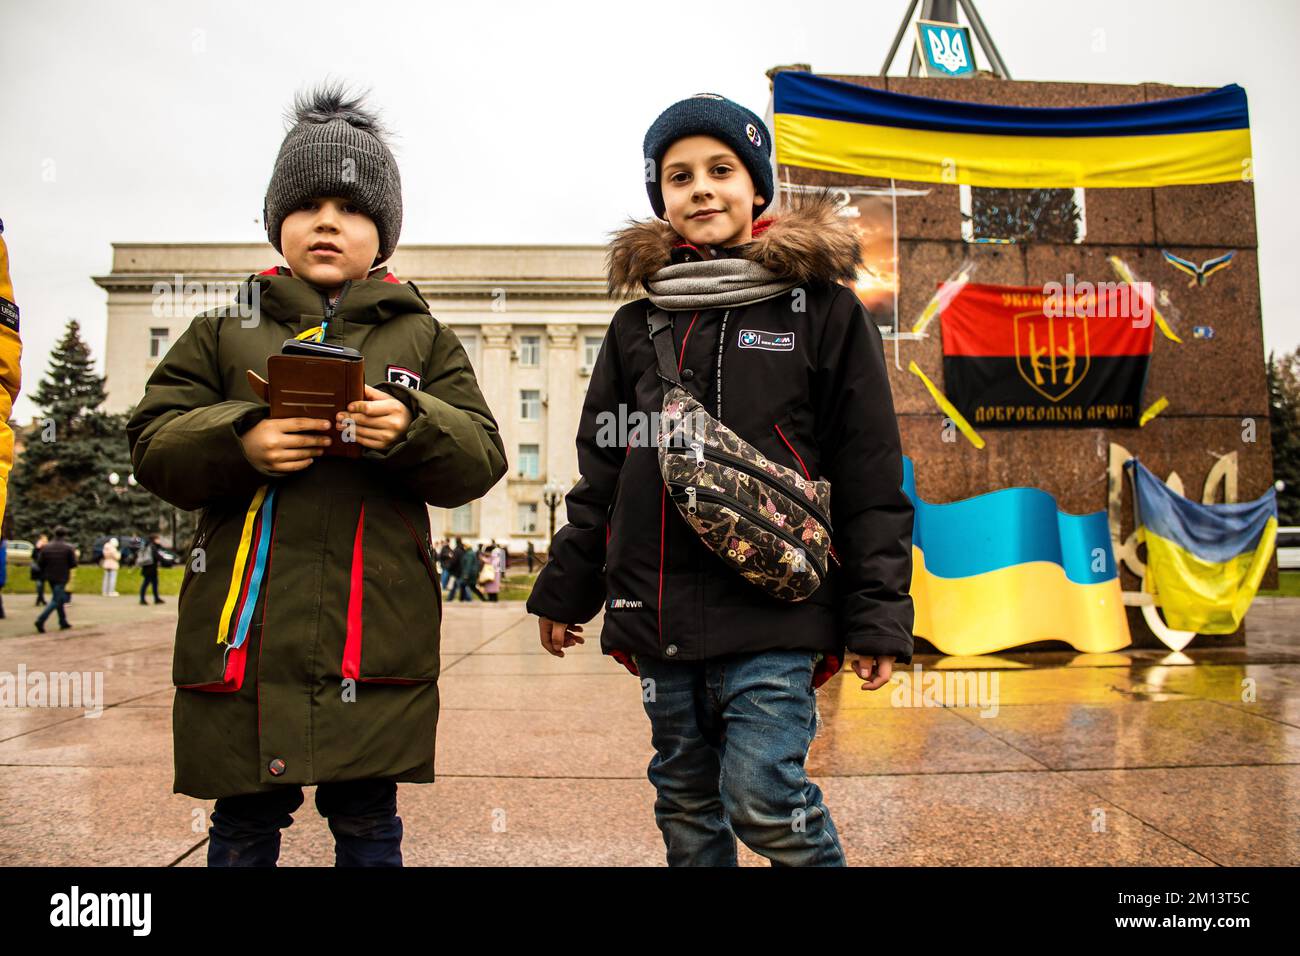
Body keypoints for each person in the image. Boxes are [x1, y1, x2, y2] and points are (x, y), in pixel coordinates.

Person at [124, 83, 507, 868]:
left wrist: (410, 426)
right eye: (308, 206)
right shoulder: (223, 325)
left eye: (353, 209)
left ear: (385, 235)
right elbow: (153, 440)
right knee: (241, 824)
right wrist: (244, 440)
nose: (329, 222)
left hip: (370, 636)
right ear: (277, 222)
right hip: (246, 634)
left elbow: (482, 456)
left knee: (368, 824)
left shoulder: (423, 338)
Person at [526, 94, 914, 866]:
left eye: (720, 169)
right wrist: (567, 590)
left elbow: (868, 470)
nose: (700, 188)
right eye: (678, 176)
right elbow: (601, 473)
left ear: (757, 187)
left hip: (778, 612)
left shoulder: (823, 311)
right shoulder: (637, 326)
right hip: (659, 613)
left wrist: (878, 615)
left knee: (765, 799)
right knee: (686, 807)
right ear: (661, 199)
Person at [34, 525, 77, 633]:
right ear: (65, 535)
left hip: (50, 576)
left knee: (60, 598)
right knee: (56, 600)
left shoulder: (47, 547)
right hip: (62, 576)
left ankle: (63, 621)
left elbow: (40, 563)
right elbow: (73, 564)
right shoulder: (68, 548)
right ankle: (40, 620)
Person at [137, 533, 164, 605]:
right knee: (146, 583)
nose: (159, 540)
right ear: (154, 540)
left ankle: (156, 598)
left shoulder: (150, 546)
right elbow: (157, 556)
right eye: (158, 539)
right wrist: (167, 562)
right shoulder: (152, 547)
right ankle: (142, 599)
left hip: (149, 568)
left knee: (154, 583)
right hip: (150, 568)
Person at [30, 532, 47, 606]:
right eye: (44, 540)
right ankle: (40, 599)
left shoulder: (46, 548)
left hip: (43, 569)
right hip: (38, 569)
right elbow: (33, 556)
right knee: (39, 584)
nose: (46, 541)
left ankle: (40, 599)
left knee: (42, 585)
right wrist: (38, 548)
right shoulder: (37, 548)